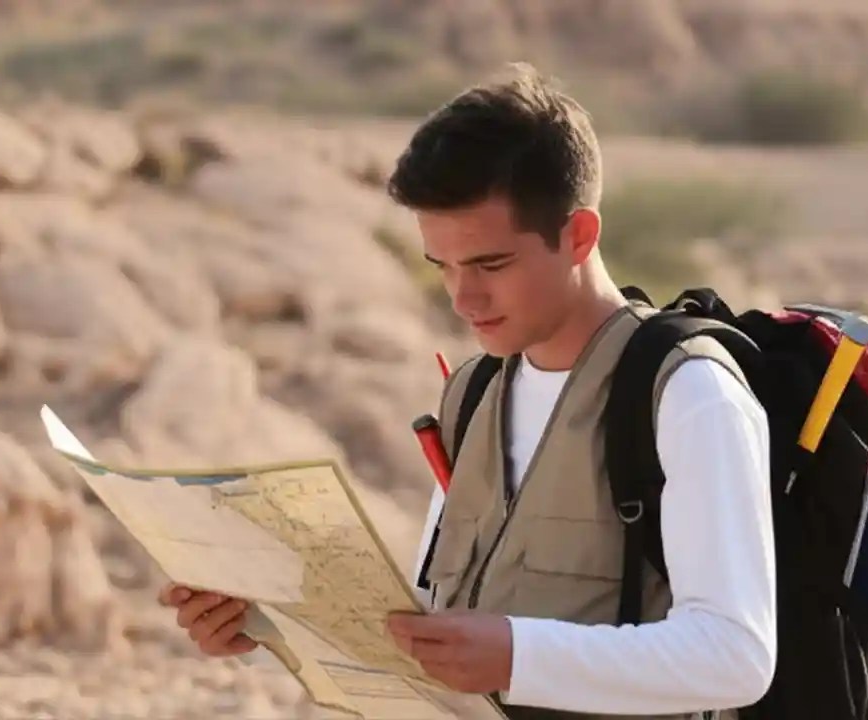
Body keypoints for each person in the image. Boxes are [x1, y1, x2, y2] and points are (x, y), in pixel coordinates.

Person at [160, 63, 776, 720]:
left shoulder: (687, 393)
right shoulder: (475, 392)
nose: (464, 298)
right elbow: (433, 627)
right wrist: (262, 625)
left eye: (491, 264)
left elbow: (737, 655)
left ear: (579, 236)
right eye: (444, 268)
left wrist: (516, 657)